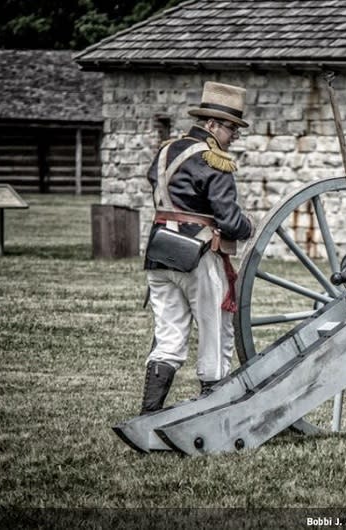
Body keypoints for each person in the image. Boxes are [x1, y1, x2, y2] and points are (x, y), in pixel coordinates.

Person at [140, 81, 254, 415]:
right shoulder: (213, 160)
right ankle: (212, 411)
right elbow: (231, 222)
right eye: (232, 128)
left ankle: (149, 413)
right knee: (215, 334)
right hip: (198, 257)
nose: (234, 136)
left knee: (169, 336)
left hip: (160, 252)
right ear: (212, 124)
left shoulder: (166, 150)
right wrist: (250, 224)